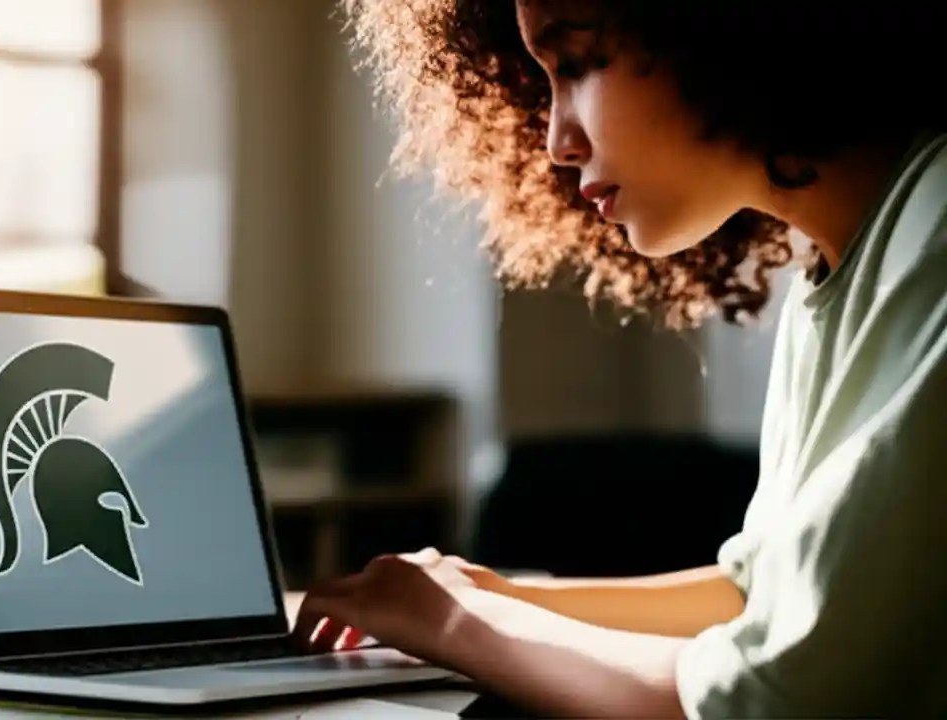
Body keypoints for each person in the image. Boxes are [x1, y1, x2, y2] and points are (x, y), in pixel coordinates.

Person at [292, 1, 947, 716]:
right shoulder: (844, 263)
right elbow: (758, 594)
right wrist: (489, 594)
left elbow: (772, 695)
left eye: (575, 64)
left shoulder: (936, 236)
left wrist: (458, 623)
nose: (555, 142)